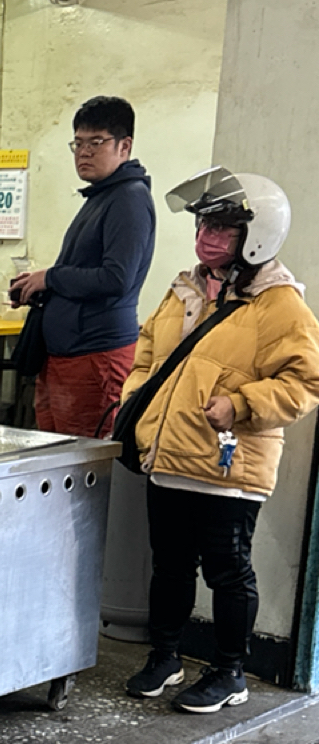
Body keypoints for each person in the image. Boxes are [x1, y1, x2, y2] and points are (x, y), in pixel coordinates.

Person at [121, 167, 319, 713]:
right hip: (169, 457)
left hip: (229, 468)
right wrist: (138, 406)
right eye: (204, 225)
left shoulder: (279, 304)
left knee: (228, 571)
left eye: (222, 228)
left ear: (256, 236)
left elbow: (305, 382)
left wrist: (242, 404)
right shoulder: (185, 289)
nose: (206, 237)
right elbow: (147, 355)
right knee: (169, 565)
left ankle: (231, 672)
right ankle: (165, 657)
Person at [12, 96, 155, 438]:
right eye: (78, 143)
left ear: (124, 146)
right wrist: (39, 285)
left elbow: (116, 278)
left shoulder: (129, 198)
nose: (84, 152)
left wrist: (52, 277)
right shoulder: (101, 196)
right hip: (65, 355)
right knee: (55, 453)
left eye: (96, 142)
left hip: (95, 356)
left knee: (83, 458)